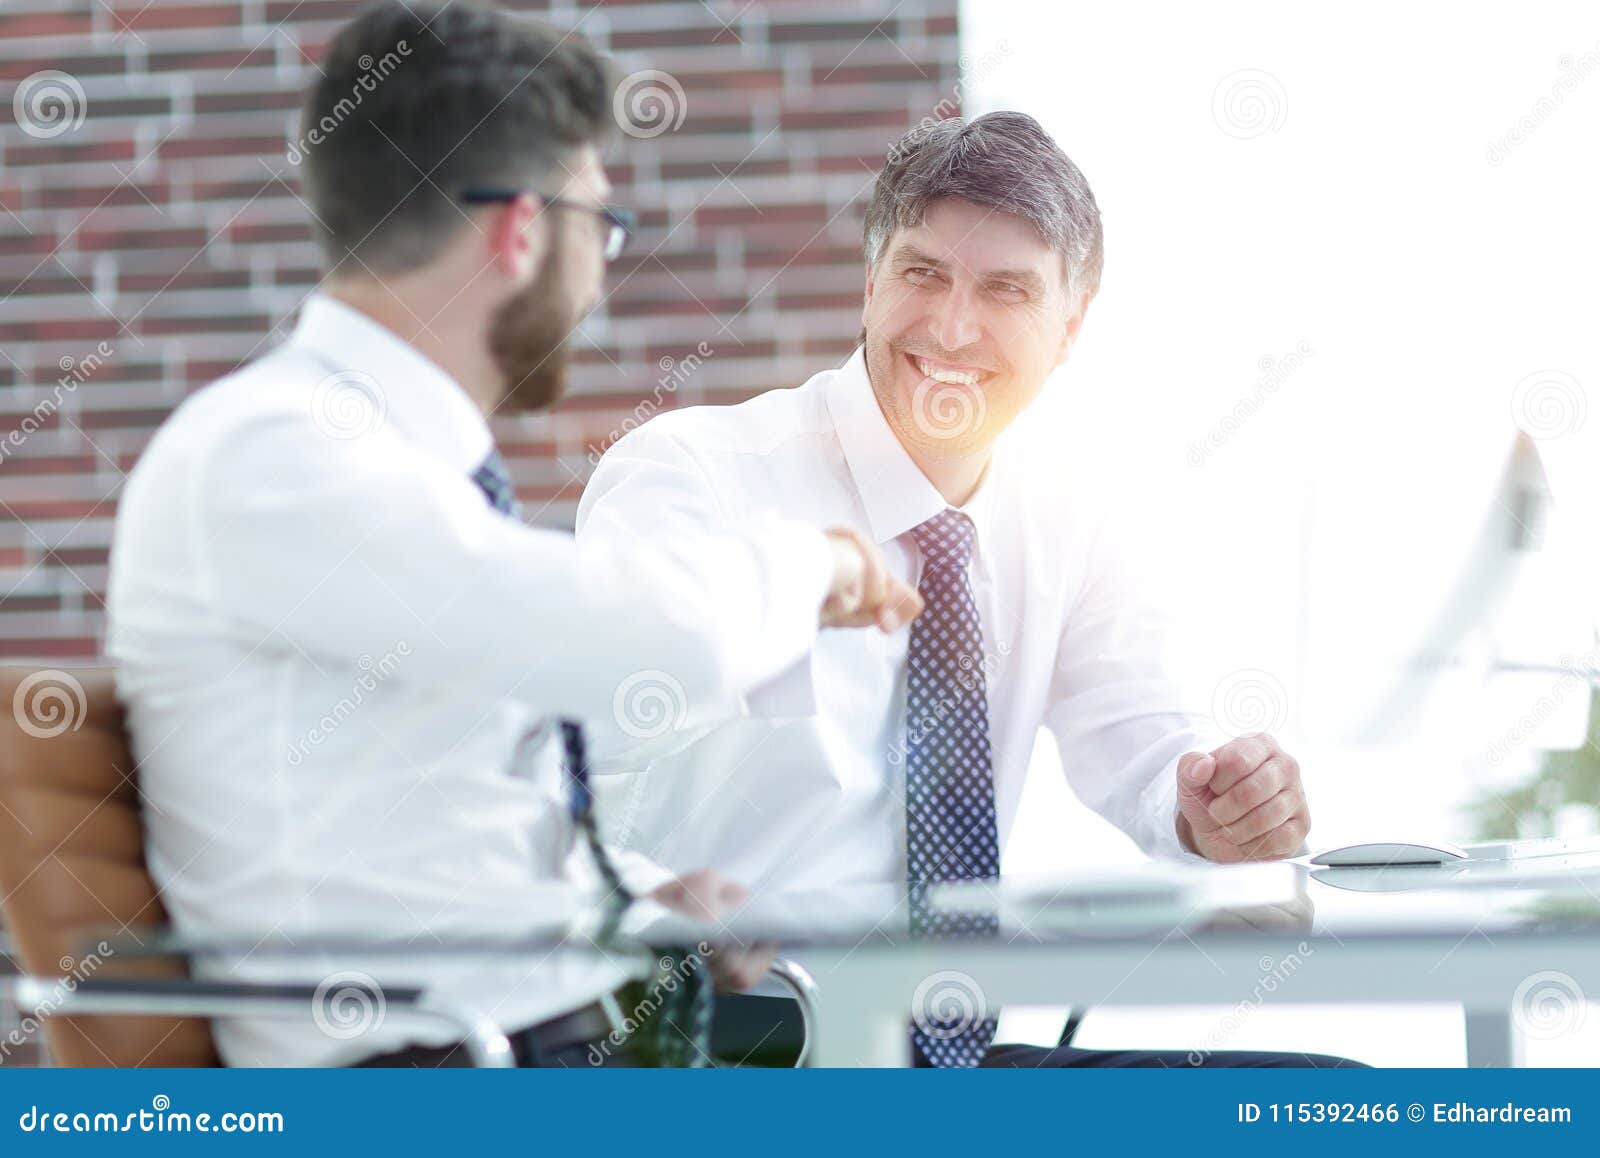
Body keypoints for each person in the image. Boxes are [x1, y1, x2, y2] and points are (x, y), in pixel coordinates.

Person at [105, 0, 917, 1068]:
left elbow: (441, 815)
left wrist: (630, 896)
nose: (602, 274)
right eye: (601, 226)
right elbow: (652, 640)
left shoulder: (384, 467)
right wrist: (818, 562)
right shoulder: (269, 455)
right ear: (522, 228)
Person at [577, 111, 1362, 1068]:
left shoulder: (1075, 510)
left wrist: (1208, 812)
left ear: (1070, 328)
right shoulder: (695, 475)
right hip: (719, 1045)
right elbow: (565, 772)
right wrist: (657, 904)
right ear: (870, 284)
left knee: (1333, 1103)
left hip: (946, 1061)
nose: (952, 327)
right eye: (922, 273)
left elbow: (1143, 743)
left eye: (1005, 290)